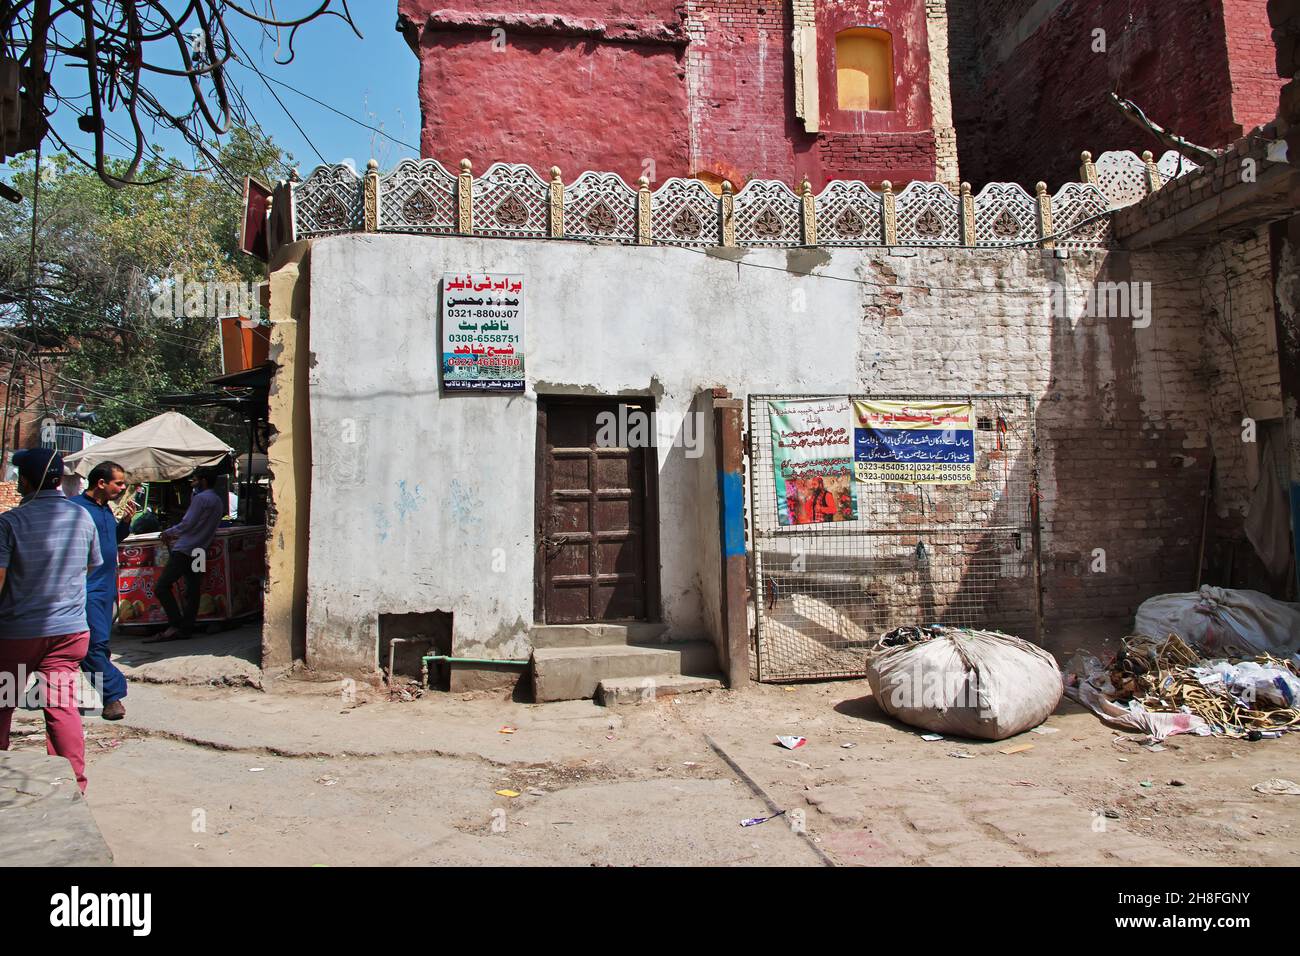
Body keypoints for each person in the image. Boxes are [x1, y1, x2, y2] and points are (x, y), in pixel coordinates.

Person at [0, 448, 102, 792]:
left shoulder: (10, 523)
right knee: (61, 707)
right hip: (70, 632)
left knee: (3, 701)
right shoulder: (82, 518)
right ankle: (74, 784)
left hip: (18, 634)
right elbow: (89, 566)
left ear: (27, 481)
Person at [70, 461, 138, 721]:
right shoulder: (76, 509)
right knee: (92, 645)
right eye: (118, 483)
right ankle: (112, 694)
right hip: (85, 588)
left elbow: (111, 541)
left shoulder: (106, 509)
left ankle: (50, 692)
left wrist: (126, 523)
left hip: (105, 587)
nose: (122, 488)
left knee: (98, 644)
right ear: (101, 483)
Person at [147, 467, 224, 643]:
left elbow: (187, 523)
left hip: (185, 550)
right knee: (193, 589)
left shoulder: (201, 498)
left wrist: (169, 532)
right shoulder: (217, 500)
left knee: (162, 586)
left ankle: (175, 624)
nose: (193, 483)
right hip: (200, 551)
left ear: (203, 481)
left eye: (195, 480)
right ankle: (186, 627)